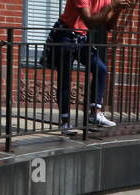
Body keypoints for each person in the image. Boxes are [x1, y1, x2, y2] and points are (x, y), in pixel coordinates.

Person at [47, 0, 132, 134]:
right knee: (65, 78)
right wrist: (111, 6)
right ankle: (65, 123)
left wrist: (117, 10)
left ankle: (95, 114)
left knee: (101, 69)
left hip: (81, 37)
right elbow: (90, 21)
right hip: (64, 35)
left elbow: (109, 26)